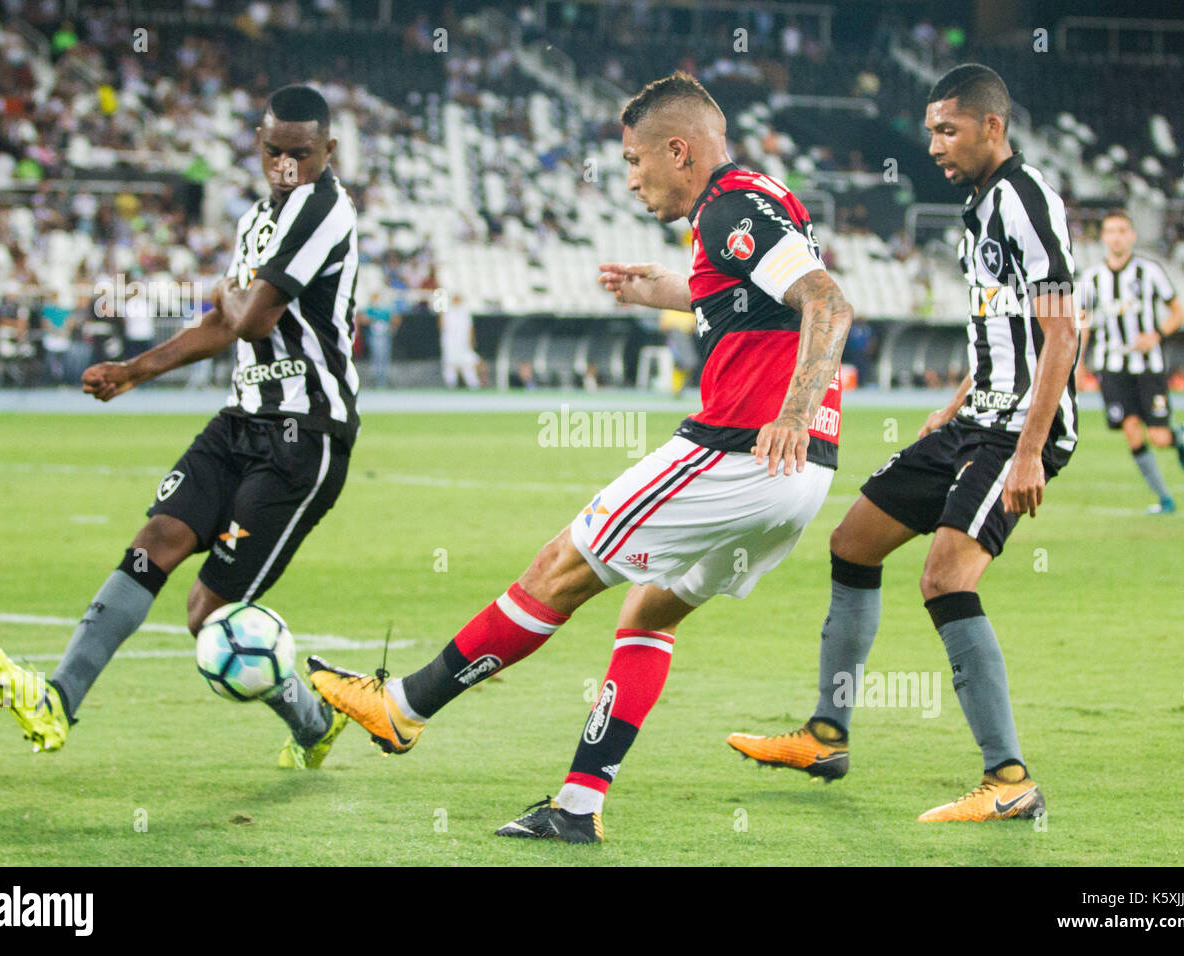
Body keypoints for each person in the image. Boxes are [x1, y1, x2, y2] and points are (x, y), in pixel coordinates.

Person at [307, 71, 853, 843]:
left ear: (678, 149)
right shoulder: (760, 198)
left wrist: (790, 411)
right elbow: (750, 295)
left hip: (739, 449)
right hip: (800, 475)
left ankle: (401, 710)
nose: (630, 180)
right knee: (648, 610)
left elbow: (829, 302)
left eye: (635, 162)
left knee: (560, 566)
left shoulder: (729, 206)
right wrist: (663, 289)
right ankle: (577, 807)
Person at [728, 63, 1078, 822]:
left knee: (946, 577)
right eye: (929, 130)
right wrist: (948, 409)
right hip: (973, 420)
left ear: (993, 125)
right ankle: (827, 733)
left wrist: (1028, 449)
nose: (933, 145)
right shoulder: (978, 206)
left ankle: (1010, 779)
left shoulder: (1024, 200)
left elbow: (1062, 330)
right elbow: (1000, 328)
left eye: (947, 130)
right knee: (854, 542)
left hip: (1017, 428)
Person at [0, 85, 361, 770]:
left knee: (206, 614)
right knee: (155, 537)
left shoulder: (325, 207)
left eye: (300, 155)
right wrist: (135, 370)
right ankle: (58, 700)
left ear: (327, 151)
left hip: (306, 433)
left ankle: (314, 722)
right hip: (242, 417)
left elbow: (252, 318)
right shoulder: (257, 219)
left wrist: (232, 295)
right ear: (257, 142)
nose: (285, 167)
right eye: (273, 151)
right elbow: (224, 320)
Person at [1077, 210, 1184, 513]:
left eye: (1122, 230)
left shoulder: (1150, 271)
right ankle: (1165, 499)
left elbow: (1177, 312)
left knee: (1157, 436)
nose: (1116, 236)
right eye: (1110, 231)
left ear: (1132, 236)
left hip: (1148, 367)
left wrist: (1156, 334)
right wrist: (1079, 364)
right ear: (1103, 237)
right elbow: (1084, 323)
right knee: (1131, 429)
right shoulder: (1091, 278)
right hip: (1111, 367)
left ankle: (1180, 437)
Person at [439, 292, 480, 389]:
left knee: (467, 365)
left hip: (463, 344)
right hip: (450, 344)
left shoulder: (465, 312)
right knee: (450, 366)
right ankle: (451, 386)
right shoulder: (447, 312)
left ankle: (474, 386)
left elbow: (470, 328)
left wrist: (471, 341)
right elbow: (441, 326)